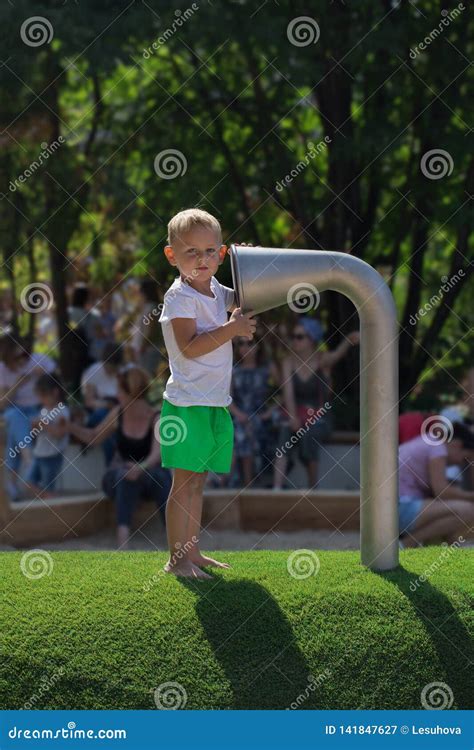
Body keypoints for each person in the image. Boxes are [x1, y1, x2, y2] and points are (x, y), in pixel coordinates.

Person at [158, 208, 256, 578]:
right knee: (183, 485)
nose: (201, 260)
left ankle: (193, 551)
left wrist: (249, 265)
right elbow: (189, 348)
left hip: (213, 402)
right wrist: (232, 329)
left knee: (198, 482)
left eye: (209, 251)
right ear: (172, 256)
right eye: (191, 252)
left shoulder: (217, 289)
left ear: (222, 253)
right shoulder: (179, 297)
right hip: (186, 406)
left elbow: (247, 297)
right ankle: (176, 561)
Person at [68, 365, 171, 549]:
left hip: (147, 475)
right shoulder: (118, 413)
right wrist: (70, 427)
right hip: (117, 476)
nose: (117, 396)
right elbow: (93, 438)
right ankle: (122, 541)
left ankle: (172, 538)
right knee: (124, 475)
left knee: (162, 477)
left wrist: (140, 468)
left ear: (131, 393)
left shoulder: (157, 417)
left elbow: (158, 453)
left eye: (119, 391)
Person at [273, 318, 360, 489]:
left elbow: (339, 353)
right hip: (296, 412)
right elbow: (288, 393)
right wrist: (292, 417)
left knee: (308, 434)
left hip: (320, 414)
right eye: (293, 336)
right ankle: (277, 488)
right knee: (285, 430)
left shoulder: (322, 360)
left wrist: (350, 339)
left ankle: (313, 487)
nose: (295, 340)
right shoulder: (288, 362)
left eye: (300, 337)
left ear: (311, 339)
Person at [398, 420, 474, 547]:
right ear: (458, 445)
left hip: (392, 508)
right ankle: (406, 544)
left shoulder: (429, 440)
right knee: (467, 510)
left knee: (450, 511)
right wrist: (471, 496)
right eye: (465, 459)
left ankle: (449, 548)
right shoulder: (437, 447)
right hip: (400, 508)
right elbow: (442, 492)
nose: (461, 463)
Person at [0, 334, 57, 500]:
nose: (23, 359)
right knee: (13, 416)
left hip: (40, 409)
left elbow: (58, 384)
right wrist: (18, 384)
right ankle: (30, 461)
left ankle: (12, 483)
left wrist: (45, 375)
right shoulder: (3, 369)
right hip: (16, 410)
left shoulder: (39, 360)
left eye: (25, 354)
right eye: (18, 357)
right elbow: (3, 404)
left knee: (13, 431)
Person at [229, 336, 280, 486]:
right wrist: (239, 414)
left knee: (247, 430)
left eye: (250, 343)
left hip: (262, 417)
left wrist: (270, 412)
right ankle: (245, 483)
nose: (245, 347)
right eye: (241, 344)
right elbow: (227, 399)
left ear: (258, 345)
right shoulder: (232, 369)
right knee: (241, 430)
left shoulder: (267, 368)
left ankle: (243, 483)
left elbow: (285, 392)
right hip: (239, 416)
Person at [25, 374, 70, 497]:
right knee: (29, 482)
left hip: (52, 455)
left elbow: (61, 433)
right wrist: (35, 426)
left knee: (48, 486)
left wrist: (43, 424)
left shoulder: (62, 411)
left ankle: (50, 503)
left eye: (43, 396)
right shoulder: (44, 409)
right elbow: (38, 430)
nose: (41, 400)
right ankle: (47, 498)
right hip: (39, 452)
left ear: (55, 393)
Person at [80, 343, 123, 465]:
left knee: (110, 429)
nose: (110, 371)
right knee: (103, 417)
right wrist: (106, 404)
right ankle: (112, 464)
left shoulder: (125, 373)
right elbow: (89, 401)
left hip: (119, 411)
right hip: (100, 410)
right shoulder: (93, 371)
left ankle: (112, 465)